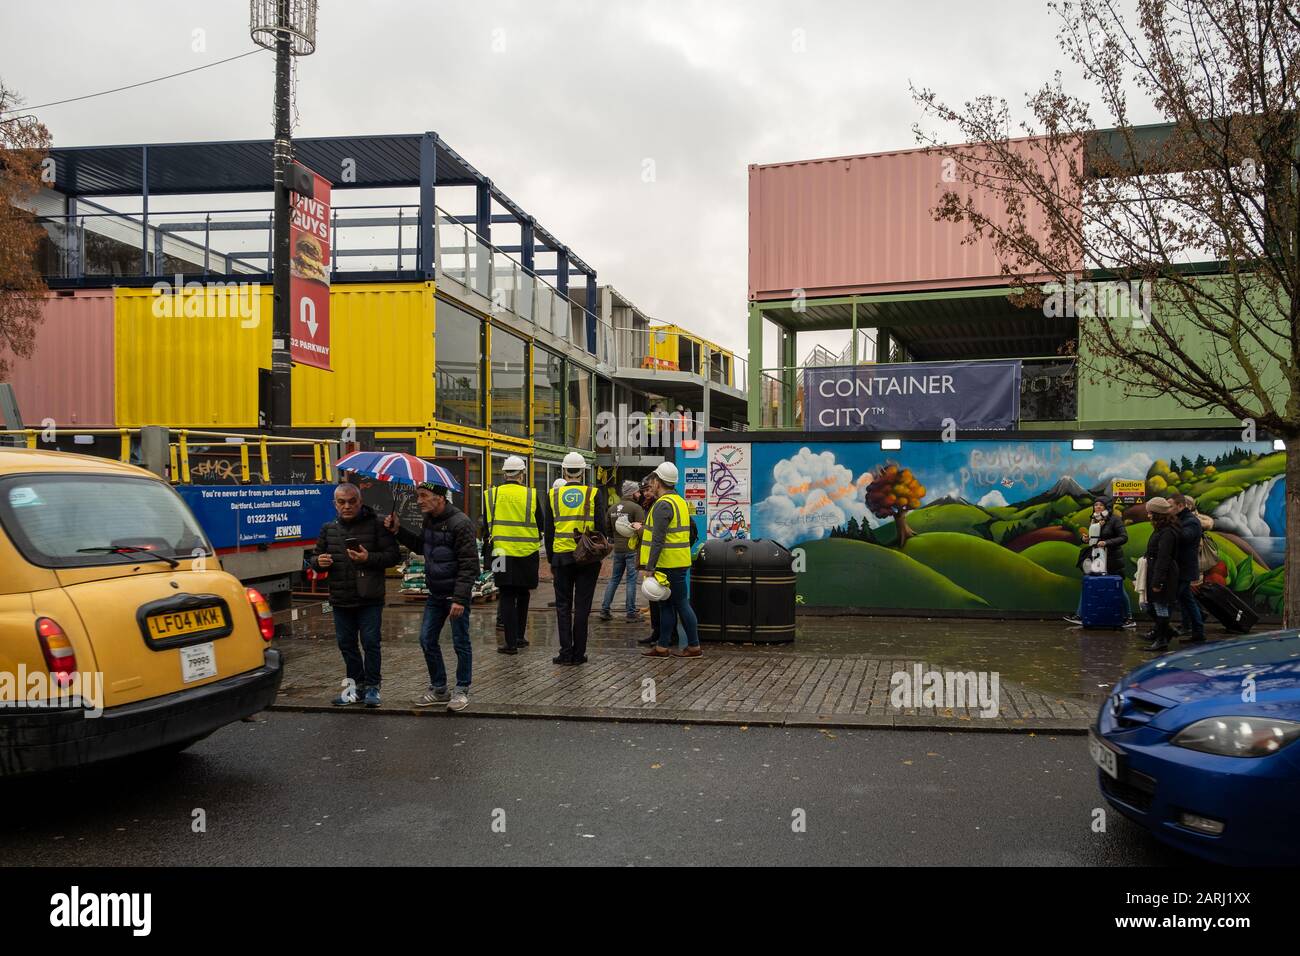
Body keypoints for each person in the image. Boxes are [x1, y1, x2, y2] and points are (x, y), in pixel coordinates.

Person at [385, 481, 478, 712]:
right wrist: (398, 530)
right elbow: (421, 546)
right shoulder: (430, 521)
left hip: (454, 595)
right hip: (436, 593)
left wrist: (459, 599)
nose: (419, 501)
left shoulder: (461, 523)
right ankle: (439, 689)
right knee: (426, 640)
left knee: (461, 643)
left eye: (423, 496)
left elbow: (469, 565)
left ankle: (461, 690)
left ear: (439, 497)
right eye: (418, 496)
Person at [310, 482, 400, 707]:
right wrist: (318, 563)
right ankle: (354, 688)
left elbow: (393, 556)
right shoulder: (328, 528)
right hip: (341, 598)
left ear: (360, 502)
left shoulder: (378, 524)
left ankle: (372, 687)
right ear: (335, 504)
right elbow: (314, 558)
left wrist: (368, 558)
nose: (347, 506)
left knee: (370, 642)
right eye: (342, 502)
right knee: (346, 644)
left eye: (352, 501)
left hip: (369, 597)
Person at [544, 452, 608, 665]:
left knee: (563, 606)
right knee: (582, 606)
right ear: (583, 471)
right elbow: (601, 528)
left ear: (564, 471)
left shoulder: (552, 495)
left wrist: (551, 559)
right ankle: (579, 654)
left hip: (561, 557)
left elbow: (549, 530)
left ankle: (565, 652)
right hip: (587, 558)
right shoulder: (593, 494)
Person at [639, 461, 702, 658]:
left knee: (681, 604)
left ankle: (694, 646)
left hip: (668, 564)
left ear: (658, 482)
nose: (652, 484)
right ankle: (662, 647)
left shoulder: (663, 505)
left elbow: (658, 539)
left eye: (654, 480)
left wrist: (650, 567)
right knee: (666, 604)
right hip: (677, 561)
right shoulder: (680, 501)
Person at [483, 456, 542, 655]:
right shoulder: (531, 495)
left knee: (506, 594)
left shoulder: (490, 495)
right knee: (523, 593)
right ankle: (519, 636)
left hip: (500, 552)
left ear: (504, 473)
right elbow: (540, 524)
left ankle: (510, 643)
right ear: (522, 474)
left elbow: (486, 526)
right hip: (527, 552)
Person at [1064, 496, 1133, 627]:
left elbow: (1124, 537)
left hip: (1112, 559)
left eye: (1101, 505)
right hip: (1097, 558)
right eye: (1096, 505)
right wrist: (1086, 539)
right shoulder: (1094, 520)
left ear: (1107, 507)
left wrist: (1106, 542)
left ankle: (1128, 617)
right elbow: (1093, 539)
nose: (1098, 507)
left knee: (1120, 589)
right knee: (1087, 583)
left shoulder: (1115, 520)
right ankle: (1080, 615)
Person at [1141, 498, 1182, 652]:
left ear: (1157, 514)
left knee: (1160, 606)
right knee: (1151, 604)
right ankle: (1166, 631)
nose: (1148, 515)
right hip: (1157, 571)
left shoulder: (1167, 532)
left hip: (1162, 574)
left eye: (1150, 512)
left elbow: (1164, 558)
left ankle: (1162, 639)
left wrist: (1158, 581)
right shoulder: (1162, 529)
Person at [600, 480, 645, 622]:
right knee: (631, 580)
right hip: (632, 549)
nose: (639, 493)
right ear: (632, 493)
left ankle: (605, 609)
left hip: (618, 549)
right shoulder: (636, 508)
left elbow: (607, 529)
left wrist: (614, 540)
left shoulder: (612, 508)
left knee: (614, 579)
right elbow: (641, 530)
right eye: (638, 491)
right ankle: (631, 612)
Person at [1169, 492, 1207, 644]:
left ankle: (1163, 631)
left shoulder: (1190, 521)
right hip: (1182, 567)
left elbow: (1184, 537)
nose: (1168, 509)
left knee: (1174, 599)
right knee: (1186, 600)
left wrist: (1171, 525)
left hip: (1184, 568)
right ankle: (1198, 631)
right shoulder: (1182, 519)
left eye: (1171, 506)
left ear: (1180, 506)